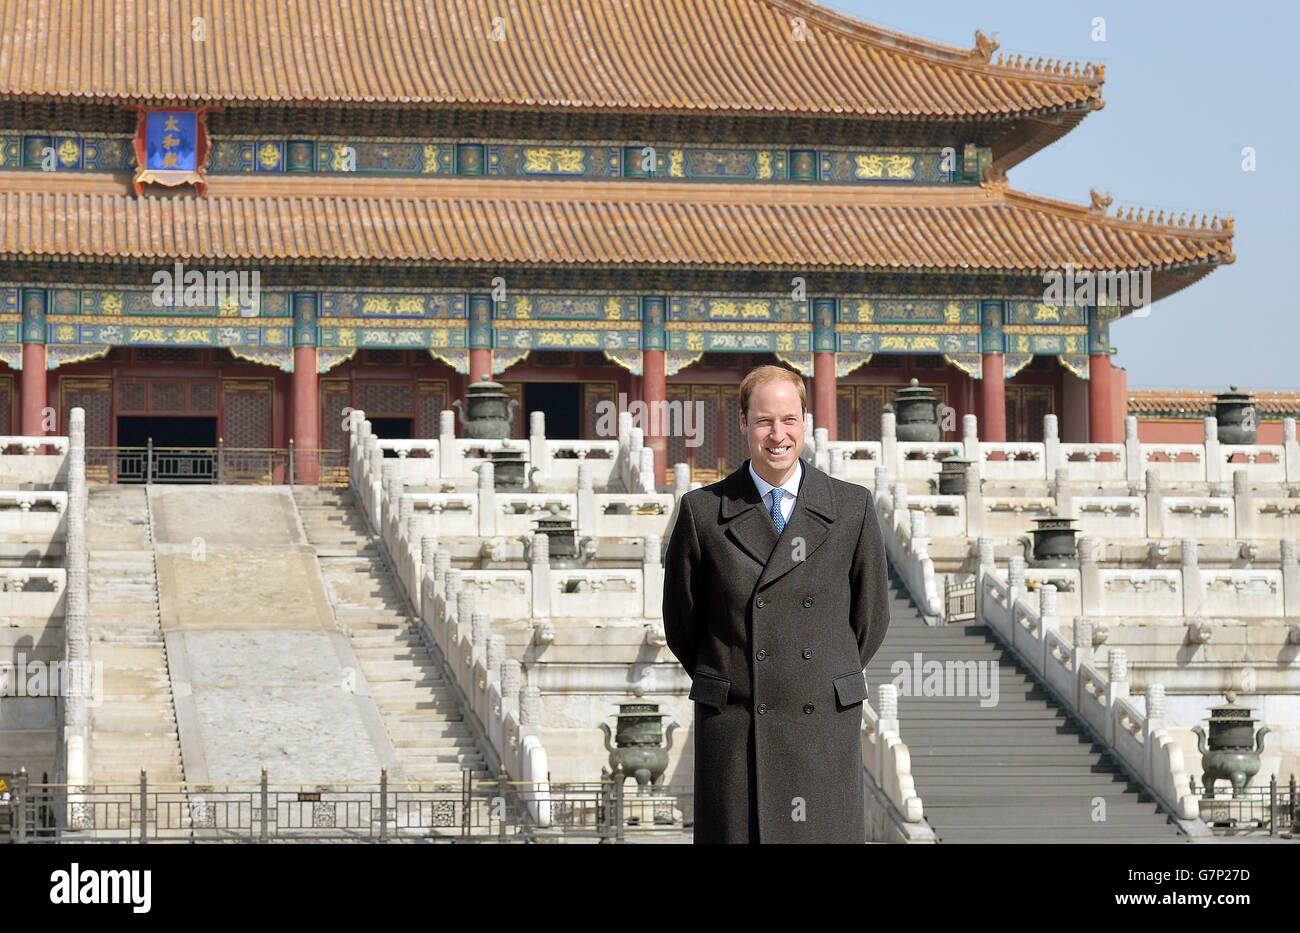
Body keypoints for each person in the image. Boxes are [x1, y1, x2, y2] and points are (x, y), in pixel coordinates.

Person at [662, 364, 891, 843]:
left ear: (806, 421)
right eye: (765, 421)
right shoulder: (704, 512)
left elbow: (869, 620)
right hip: (737, 726)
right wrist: (734, 675)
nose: (778, 435)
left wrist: (818, 673)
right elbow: (683, 627)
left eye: (789, 420)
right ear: (743, 423)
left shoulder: (851, 507)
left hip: (822, 726)